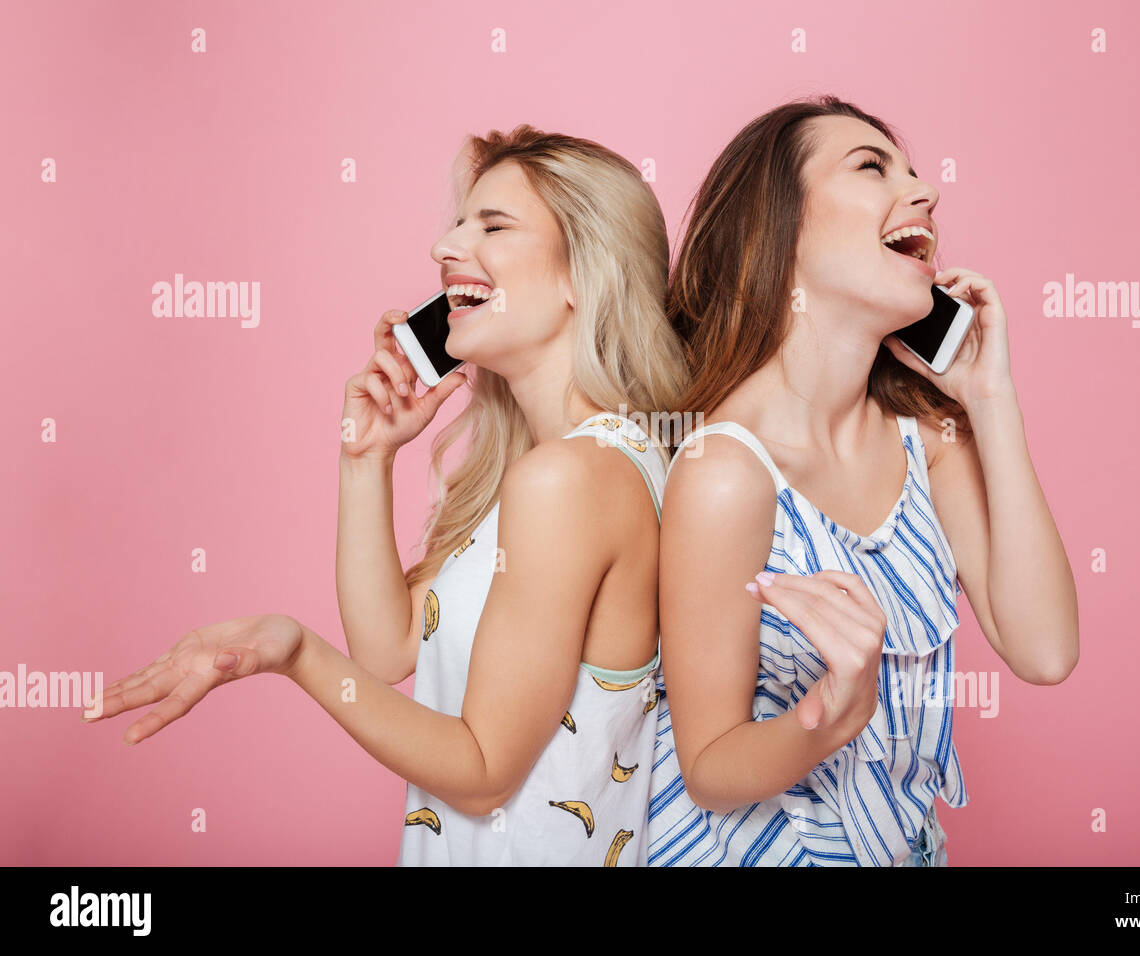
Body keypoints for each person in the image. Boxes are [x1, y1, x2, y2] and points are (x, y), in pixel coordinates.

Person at [83, 125, 687, 867]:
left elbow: (481, 772)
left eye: (494, 226)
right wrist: (366, 459)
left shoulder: (571, 480)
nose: (445, 247)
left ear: (583, 275)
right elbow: (387, 648)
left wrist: (295, 651)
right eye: (459, 222)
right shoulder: (558, 468)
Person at [646, 96, 1079, 866]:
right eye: (872, 167)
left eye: (912, 172)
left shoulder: (929, 441)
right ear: (774, 230)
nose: (926, 192)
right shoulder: (725, 474)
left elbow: (1045, 651)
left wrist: (990, 398)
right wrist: (829, 716)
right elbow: (710, 769)